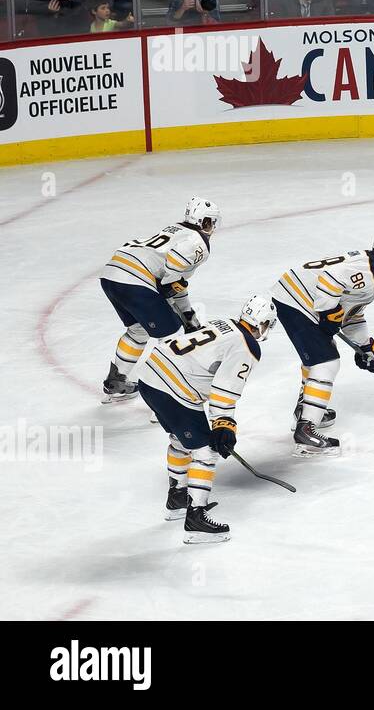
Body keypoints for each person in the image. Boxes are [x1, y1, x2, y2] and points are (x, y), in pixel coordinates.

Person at [138, 295, 277, 544]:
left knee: (180, 440)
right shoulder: (247, 347)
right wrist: (224, 425)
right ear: (264, 323)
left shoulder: (222, 323)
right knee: (205, 452)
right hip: (174, 388)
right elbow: (224, 388)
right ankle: (196, 520)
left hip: (149, 376)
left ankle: (177, 498)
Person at [273, 230, 374, 455]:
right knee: (326, 361)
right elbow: (329, 280)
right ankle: (306, 429)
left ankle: (305, 410)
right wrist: (328, 313)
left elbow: (351, 315)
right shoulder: (366, 269)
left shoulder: (370, 270)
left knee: (319, 357)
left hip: (293, 297)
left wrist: (364, 346)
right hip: (295, 302)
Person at [99, 198, 222, 404]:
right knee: (175, 337)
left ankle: (116, 382)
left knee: (138, 331)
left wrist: (186, 312)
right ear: (206, 222)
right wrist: (179, 307)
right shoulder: (198, 241)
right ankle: (169, 394)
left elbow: (175, 282)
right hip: (135, 280)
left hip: (112, 274)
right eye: (213, 222)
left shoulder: (176, 229)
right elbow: (173, 272)